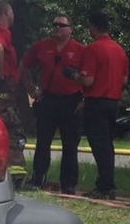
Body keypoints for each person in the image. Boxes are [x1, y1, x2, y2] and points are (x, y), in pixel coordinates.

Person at [20, 14, 84, 194]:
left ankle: (68, 184)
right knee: (43, 142)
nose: (57, 28)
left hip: (71, 101)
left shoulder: (80, 49)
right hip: (48, 99)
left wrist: (84, 99)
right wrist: (31, 89)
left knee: (70, 144)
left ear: (70, 29)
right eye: (54, 24)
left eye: (62, 25)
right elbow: (24, 66)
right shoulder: (41, 47)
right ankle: (38, 178)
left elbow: (89, 76)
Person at [65, 11, 127, 200]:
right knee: (107, 144)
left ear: (93, 27)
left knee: (99, 144)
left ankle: (105, 187)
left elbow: (88, 80)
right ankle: (107, 183)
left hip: (96, 102)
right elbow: (124, 79)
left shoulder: (93, 49)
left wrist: (73, 75)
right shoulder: (119, 50)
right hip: (113, 101)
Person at [0, 0, 26, 186]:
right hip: (2, 92)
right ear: (5, 12)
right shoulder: (1, 31)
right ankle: (15, 176)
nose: (13, 16)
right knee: (12, 131)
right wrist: (0, 76)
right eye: (11, 12)